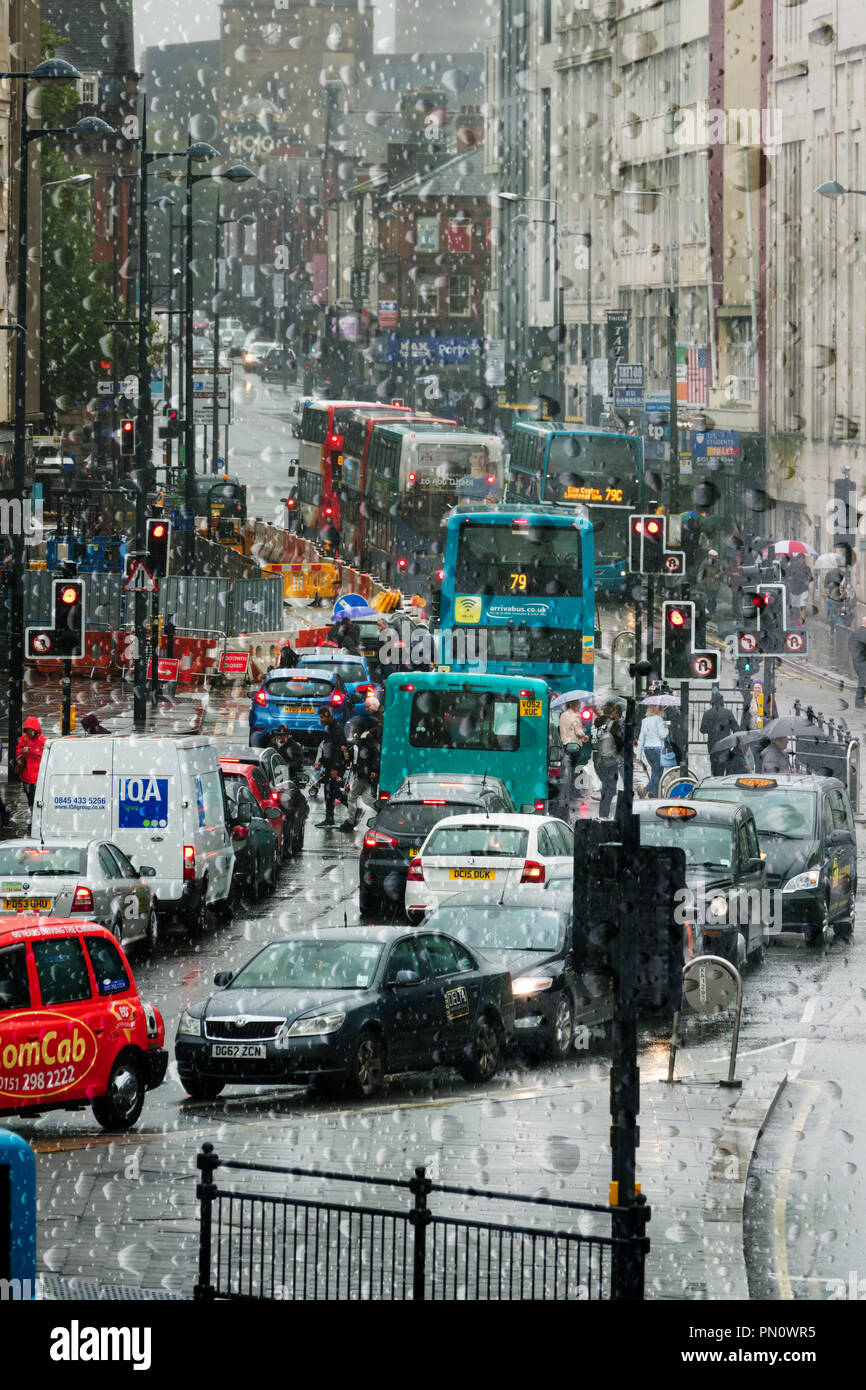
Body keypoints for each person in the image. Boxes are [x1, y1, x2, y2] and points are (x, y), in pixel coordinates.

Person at [340, 695, 383, 831]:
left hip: (364, 771)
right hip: (365, 771)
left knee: (352, 796)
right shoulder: (366, 736)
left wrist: (372, 769)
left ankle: (350, 821)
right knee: (366, 798)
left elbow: (373, 753)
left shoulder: (368, 737)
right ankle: (383, 811)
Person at [314, 706, 351, 827]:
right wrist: (321, 760)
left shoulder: (337, 730)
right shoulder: (329, 728)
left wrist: (335, 768)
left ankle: (352, 809)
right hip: (330, 764)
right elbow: (327, 748)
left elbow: (339, 750)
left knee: (333, 790)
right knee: (329, 791)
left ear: (329, 716)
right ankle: (329, 817)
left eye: (322, 717)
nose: (321, 720)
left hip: (336, 766)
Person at [593, 702, 624, 818]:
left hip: (597, 759)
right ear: (611, 712)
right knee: (611, 788)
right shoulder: (613, 725)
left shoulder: (595, 724)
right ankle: (604, 814)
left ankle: (603, 813)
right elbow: (620, 742)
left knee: (606, 786)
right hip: (609, 760)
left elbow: (593, 741)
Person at [700, 692, 742, 776]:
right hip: (725, 745)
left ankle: (715, 781)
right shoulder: (728, 713)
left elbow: (702, 730)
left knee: (714, 768)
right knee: (723, 767)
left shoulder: (707, 714)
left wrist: (712, 729)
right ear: (722, 701)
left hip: (713, 746)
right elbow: (736, 729)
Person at [558, 699, 590, 807]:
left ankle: (565, 792)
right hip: (574, 746)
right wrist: (584, 736)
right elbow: (578, 731)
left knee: (566, 770)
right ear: (574, 704)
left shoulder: (563, 715)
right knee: (573, 770)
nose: (579, 705)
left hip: (564, 745)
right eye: (578, 704)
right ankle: (571, 793)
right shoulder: (575, 715)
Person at [636, 703, 670, 797]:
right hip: (658, 749)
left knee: (655, 772)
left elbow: (641, 738)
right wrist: (666, 728)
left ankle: (653, 793)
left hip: (648, 750)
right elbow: (663, 735)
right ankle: (645, 790)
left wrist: (638, 755)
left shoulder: (645, 720)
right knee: (658, 774)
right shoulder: (659, 720)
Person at [16, 716, 45, 811]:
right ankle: (32, 813)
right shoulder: (24, 739)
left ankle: (37, 815)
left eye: (31, 730)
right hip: (27, 775)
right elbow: (17, 752)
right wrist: (22, 751)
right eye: (27, 730)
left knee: (40, 798)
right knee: (30, 799)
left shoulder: (43, 740)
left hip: (39, 775)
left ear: (36, 729)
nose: (29, 732)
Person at [785, 553, 812, 628]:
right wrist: (788, 577)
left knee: (802, 606)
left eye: (804, 558)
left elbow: (810, 576)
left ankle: (802, 623)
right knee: (795, 607)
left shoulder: (807, 568)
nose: (803, 560)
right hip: (794, 589)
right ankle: (797, 620)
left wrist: (808, 580)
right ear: (798, 559)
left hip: (804, 589)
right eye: (801, 558)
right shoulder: (792, 567)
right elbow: (786, 574)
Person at [697, 550, 723, 617]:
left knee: (713, 599)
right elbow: (700, 572)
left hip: (715, 584)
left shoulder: (719, 563)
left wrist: (719, 575)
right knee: (708, 598)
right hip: (707, 584)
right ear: (710, 556)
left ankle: (713, 611)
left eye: (716, 556)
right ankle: (708, 612)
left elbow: (722, 571)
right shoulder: (704, 563)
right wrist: (700, 581)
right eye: (714, 556)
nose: (716, 558)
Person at [849, 616, 866, 708]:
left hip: (856, 659)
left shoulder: (854, 633)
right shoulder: (864, 634)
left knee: (863, 680)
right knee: (863, 681)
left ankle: (860, 701)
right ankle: (859, 702)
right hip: (863, 660)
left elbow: (850, 645)